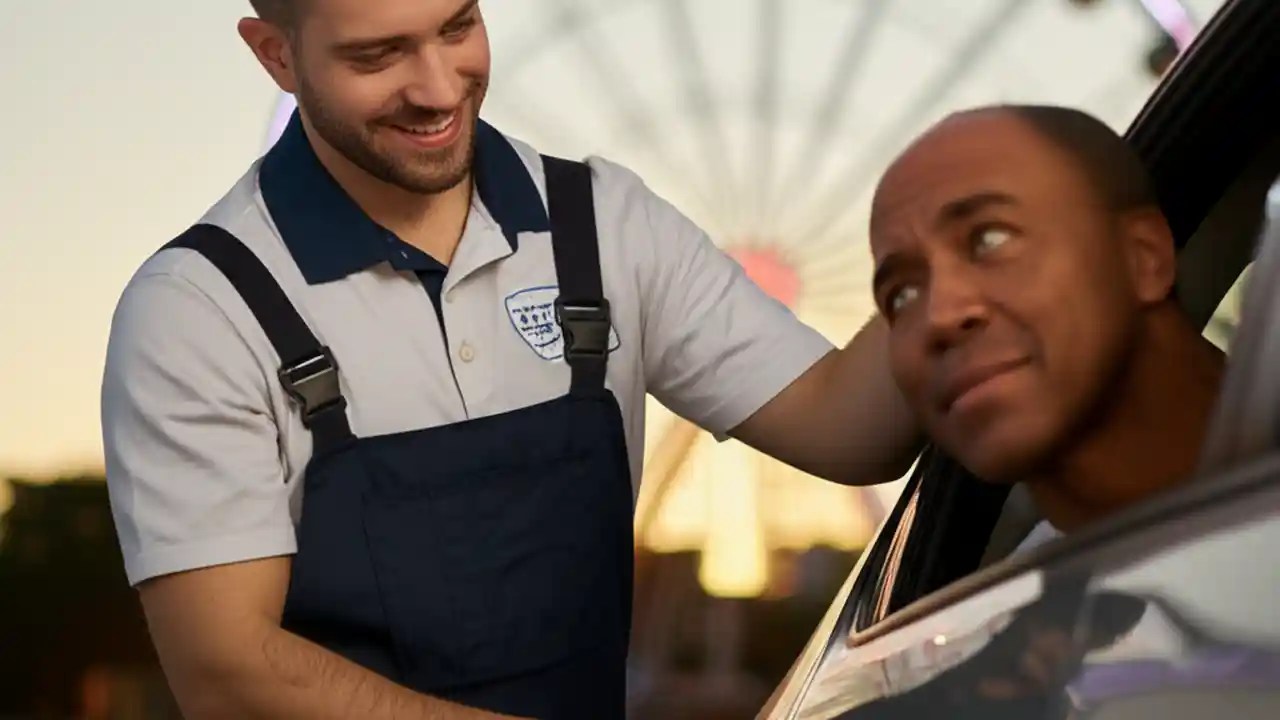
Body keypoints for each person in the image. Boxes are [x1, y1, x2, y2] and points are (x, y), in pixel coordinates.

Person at [99, 1, 920, 719]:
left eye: (458, 26)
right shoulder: (198, 310)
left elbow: (848, 430)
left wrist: (962, 245)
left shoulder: (604, 225)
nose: (437, 87)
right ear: (274, 53)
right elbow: (229, 673)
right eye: (376, 55)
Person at [868, 103, 1225, 555]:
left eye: (990, 239)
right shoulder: (1010, 617)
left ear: (1144, 256)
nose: (939, 316)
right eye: (901, 297)